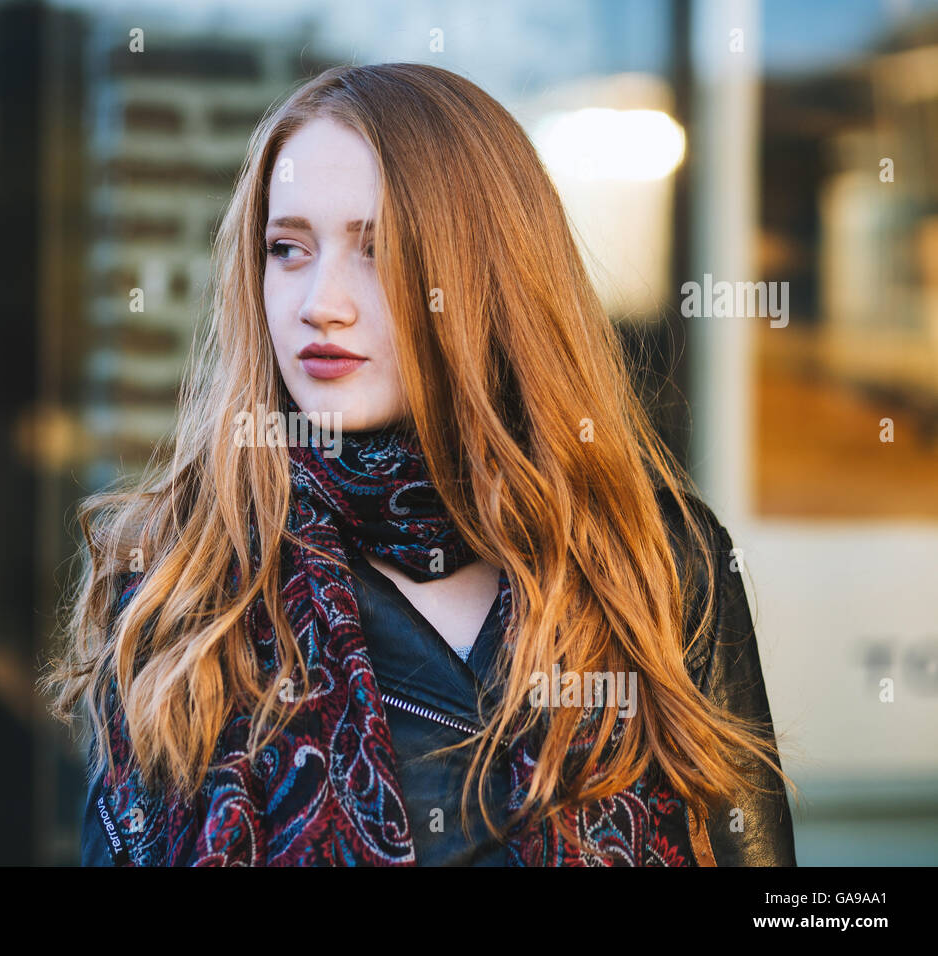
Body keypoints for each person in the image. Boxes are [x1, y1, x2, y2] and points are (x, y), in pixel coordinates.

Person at [40, 62, 797, 866]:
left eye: (379, 249)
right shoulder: (186, 581)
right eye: (288, 249)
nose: (320, 301)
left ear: (484, 276)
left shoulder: (653, 562)